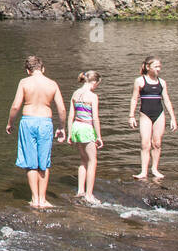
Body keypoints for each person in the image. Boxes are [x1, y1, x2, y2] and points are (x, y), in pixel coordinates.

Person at [6, 55, 67, 208]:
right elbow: (61, 108)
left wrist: (10, 123)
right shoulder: (52, 84)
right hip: (45, 122)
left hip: (28, 121)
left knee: (30, 163)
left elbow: (15, 106)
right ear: (43, 68)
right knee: (44, 162)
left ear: (28, 70)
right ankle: (43, 199)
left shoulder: (24, 82)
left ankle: (34, 199)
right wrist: (62, 127)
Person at [129, 56, 178, 180]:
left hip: (159, 114)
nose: (158, 69)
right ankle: (143, 172)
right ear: (147, 67)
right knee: (145, 144)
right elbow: (134, 99)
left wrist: (173, 118)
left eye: (159, 66)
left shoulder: (162, 82)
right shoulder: (140, 81)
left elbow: (166, 100)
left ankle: (154, 169)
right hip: (145, 115)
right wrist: (131, 116)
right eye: (156, 66)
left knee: (157, 143)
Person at [68, 70, 104, 204]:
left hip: (76, 127)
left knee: (83, 160)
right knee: (92, 161)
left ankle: (80, 191)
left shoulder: (75, 94)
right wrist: (99, 136)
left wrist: (70, 133)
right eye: (97, 84)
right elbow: (95, 118)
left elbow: (71, 115)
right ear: (93, 82)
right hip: (87, 128)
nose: (96, 87)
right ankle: (89, 194)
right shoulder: (92, 96)